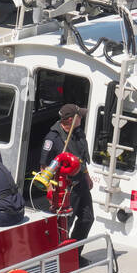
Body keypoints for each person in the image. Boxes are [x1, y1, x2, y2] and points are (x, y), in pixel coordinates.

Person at [41, 103, 95, 261]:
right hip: (65, 190)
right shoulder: (53, 139)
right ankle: (59, 261)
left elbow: (81, 158)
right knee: (65, 224)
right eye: (80, 116)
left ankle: (74, 255)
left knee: (87, 218)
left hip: (81, 185)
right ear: (71, 120)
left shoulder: (78, 133)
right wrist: (50, 189)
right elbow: (44, 166)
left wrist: (87, 176)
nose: (82, 118)